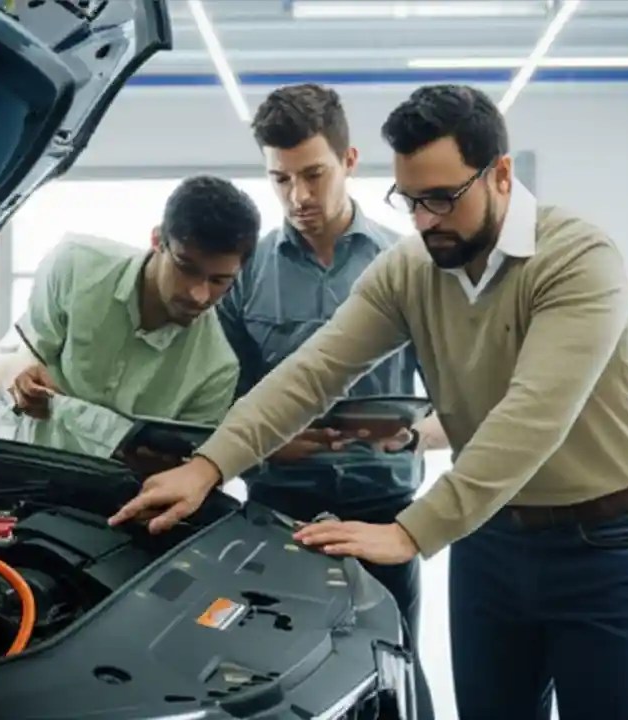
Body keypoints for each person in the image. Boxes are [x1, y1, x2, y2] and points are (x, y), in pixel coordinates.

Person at [111, 84, 628, 720]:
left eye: (441, 199)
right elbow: (313, 372)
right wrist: (209, 465)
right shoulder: (410, 268)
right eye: (409, 199)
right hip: (487, 539)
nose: (423, 219)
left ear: (501, 174)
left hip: (598, 546)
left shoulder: (578, 259)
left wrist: (412, 530)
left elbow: (532, 416)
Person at [217, 83, 439, 720]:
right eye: (280, 179)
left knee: (392, 680)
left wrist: (410, 436)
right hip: (274, 513)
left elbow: (460, 407)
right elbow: (225, 398)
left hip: (384, 514)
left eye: (313, 174)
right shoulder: (246, 273)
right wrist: (267, 442)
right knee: (271, 687)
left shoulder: (412, 262)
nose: (299, 197)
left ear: (350, 160)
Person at [0, 176, 260, 456]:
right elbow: (17, 362)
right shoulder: (75, 266)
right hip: (19, 464)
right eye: (186, 268)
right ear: (157, 239)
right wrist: (20, 378)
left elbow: (176, 471)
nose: (199, 294)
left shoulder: (217, 369)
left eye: (219, 281)